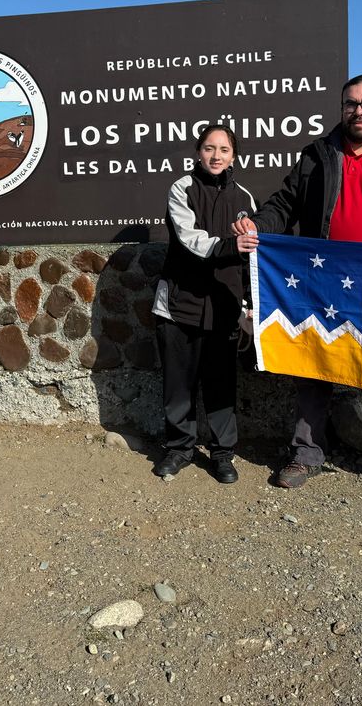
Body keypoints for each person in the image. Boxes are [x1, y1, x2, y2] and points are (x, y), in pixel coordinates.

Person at [235, 74, 362, 492]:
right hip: (326, 280)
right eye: (352, 104)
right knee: (315, 363)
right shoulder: (317, 156)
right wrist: (257, 226)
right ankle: (306, 452)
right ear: (342, 108)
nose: (360, 111)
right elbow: (284, 203)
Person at [152, 125, 259, 483]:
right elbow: (188, 239)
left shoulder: (245, 198)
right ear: (198, 151)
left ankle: (223, 454)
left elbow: (251, 260)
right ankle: (179, 448)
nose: (216, 156)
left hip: (223, 307)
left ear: (234, 156)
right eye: (210, 148)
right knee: (178, 384)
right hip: (180, 304)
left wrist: (247, 305)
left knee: (221, 383)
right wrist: (230, 245)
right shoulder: (180, 188)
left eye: (224, 150)